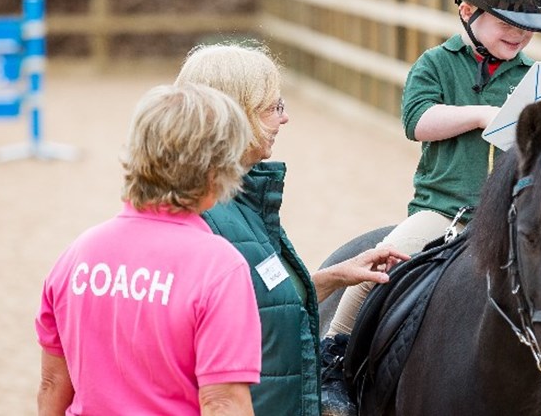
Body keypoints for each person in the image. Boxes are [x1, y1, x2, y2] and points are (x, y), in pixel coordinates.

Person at [320, 0, 541, 416]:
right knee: (380, 266)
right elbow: (417, 121)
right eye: (508, 23)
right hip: (444, 211)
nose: (520, 36)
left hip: (510, 214)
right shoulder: (436, 64)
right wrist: (481, 113)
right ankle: (334, 355)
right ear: (467, 10)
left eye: (529, 28)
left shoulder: (534, 77)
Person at [176, 43, 409, 416]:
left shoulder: (244, 201)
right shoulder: (205, 218)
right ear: (235, 117)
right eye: (273, 108)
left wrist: (334, 277)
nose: (284, 119)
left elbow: (260, 306)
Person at [36, 83, 262, 416]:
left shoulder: (77, 254)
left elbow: (52, 386)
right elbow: (223, 402)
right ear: (214, 172)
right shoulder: (219, 267)